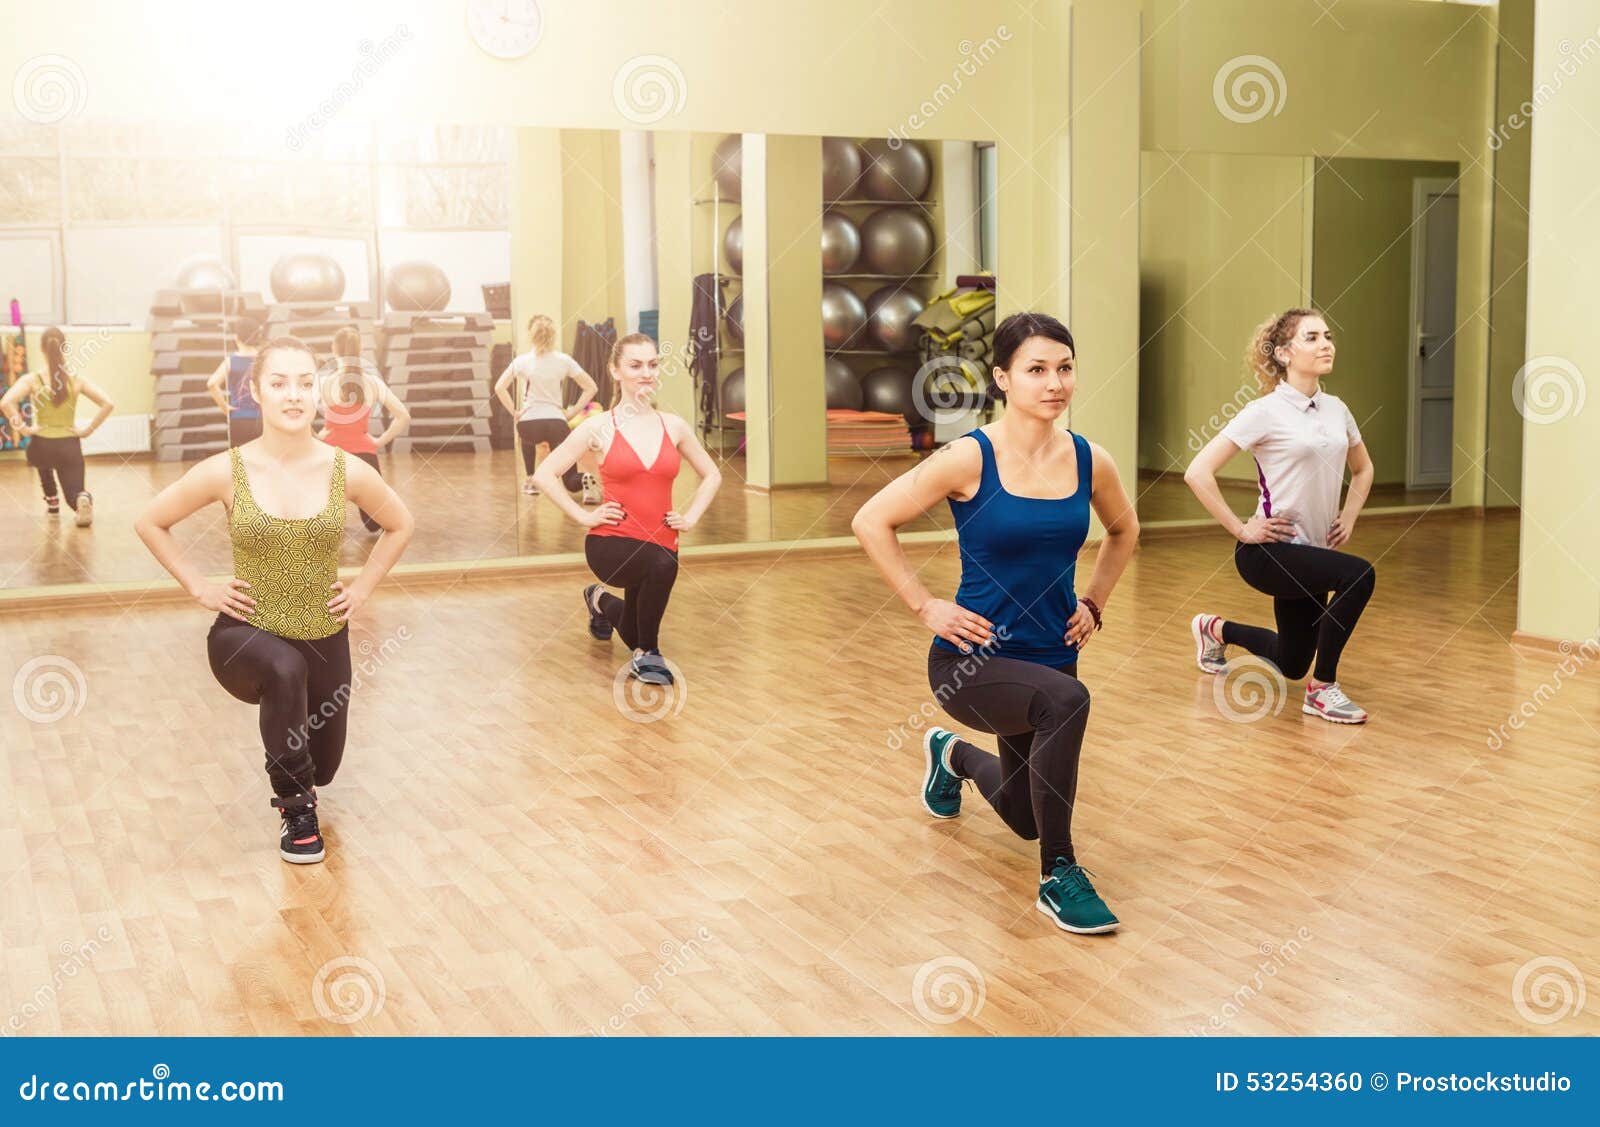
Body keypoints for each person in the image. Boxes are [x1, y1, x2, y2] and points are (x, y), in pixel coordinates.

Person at [852, 312, 1139, 935]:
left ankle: (948, 755)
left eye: (1064, 369)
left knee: (1026, 812)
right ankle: (1058, 874)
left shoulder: (1092, 460)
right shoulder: (968, 458)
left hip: (1048, 658)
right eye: (1036, 370)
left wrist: (1093, 603)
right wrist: (925, 605)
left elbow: (1125, 531)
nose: (1054, 383)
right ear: (1002, 377)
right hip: (971, 664)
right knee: (1067, 702)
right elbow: (871, 520)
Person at [135, 336, 414, 864]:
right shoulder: (227, 469)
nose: (294, 395)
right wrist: (200, 586)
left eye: (306, 383)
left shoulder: (346, 468)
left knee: (323, 766)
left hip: (323, 631)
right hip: (245, 635)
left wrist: (361, 588)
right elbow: (150, 521)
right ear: (255, 392)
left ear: (319, 394)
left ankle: (303, 778)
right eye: (279, 383)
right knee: (284, 670)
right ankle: (296, 811)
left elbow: (401, 525)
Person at [1183, 307, 1376, 724]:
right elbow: (1197, 472)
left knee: (1291, 662)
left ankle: (1215, 630)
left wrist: (1350, 516)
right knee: (1358, 575)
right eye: (1311, 338)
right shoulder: (1264, 411)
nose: (1325, 344)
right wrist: (1240, 528)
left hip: (1312, 551)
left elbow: (1364, 468)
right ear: (1284, 353)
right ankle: (1323, 690)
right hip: (1270, 552)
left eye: (1328, 335)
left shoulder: (1337, 409)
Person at [532, 332, 722, 686]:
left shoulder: (674, 426)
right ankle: (647, 655)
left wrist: (692, 517)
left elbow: (712, 474)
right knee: (660, 570)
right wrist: (583, 516)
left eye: (652, 364)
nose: (646, 372)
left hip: (661, 542)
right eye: (635, 365)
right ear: (615, 372)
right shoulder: (599, 427)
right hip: (612, 542)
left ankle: (600, 601)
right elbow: (545, 474)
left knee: (635, 625)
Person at [0, 326, 114, 525]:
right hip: (70, 444)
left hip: (41, 444)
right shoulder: (76, 380)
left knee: (40, 456)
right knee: (74, 489)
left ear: (43, 349)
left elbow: (5, 403)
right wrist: (87, 430)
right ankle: (81, 500)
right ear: (64, 347)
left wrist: (24, 429)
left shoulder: (32, 380)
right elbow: (108, 404)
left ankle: (52, 500)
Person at [494, 314, 603, 503]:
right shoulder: (564, 360)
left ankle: (530, 480)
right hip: (556, 423)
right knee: (568, 480)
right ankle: (584, 479)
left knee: (526, 435)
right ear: (553, 336)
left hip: (529, 423)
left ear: (531, 336)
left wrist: (515, 413)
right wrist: (571, 412)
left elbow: (499, 388)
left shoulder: (521, 361)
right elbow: (591, 387)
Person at [317, 325, 411, 532]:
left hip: (331, 455)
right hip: (364, 456)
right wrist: (379, 441)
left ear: (334, 349)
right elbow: (403, 416)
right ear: (359, 351)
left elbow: (298, 414)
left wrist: (316, 436)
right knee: (374, 524)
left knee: (324, 519)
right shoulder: (373, 383)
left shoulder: (323, 382)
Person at [205, 315, 265, 447]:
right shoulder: (263, 360)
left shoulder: (231, 361)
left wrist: (224, 407)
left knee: (237, 460)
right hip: (262, 419)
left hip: (238, 418)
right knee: (261, 459)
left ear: (236, 337)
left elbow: (211, 383)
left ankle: (239, 469)